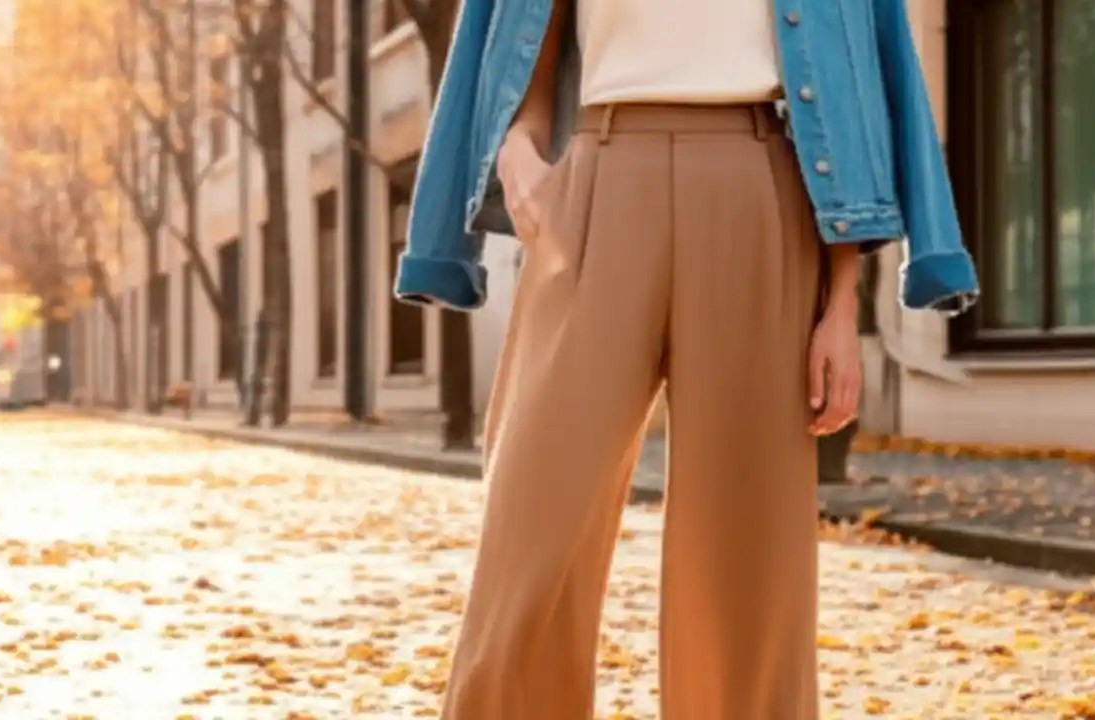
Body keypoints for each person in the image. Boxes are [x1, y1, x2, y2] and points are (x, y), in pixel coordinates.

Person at [394, 0, 979, 717]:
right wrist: (517, 144)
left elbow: (859, 73)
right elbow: (520, 33)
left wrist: (840, 305)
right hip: (597, 181)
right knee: (532, 528)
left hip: (761, 187)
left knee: (747, 561)